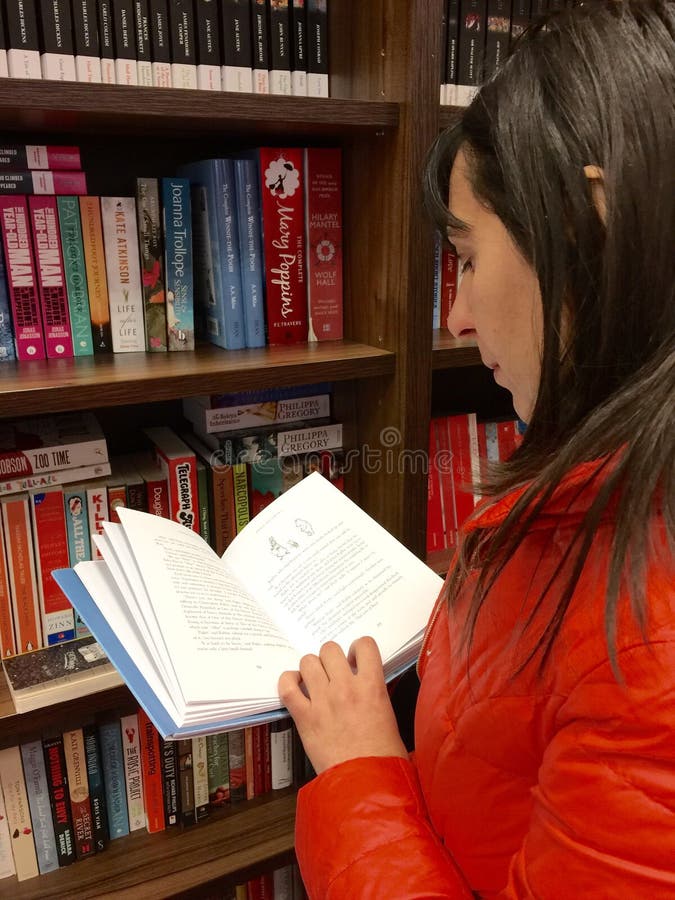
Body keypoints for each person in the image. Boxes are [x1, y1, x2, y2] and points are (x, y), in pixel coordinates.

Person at [278, 0, 675, 896]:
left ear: (581, 232)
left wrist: (356, 772)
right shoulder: (592, 460)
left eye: (463, 259)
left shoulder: (649, 651)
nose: (453, 317)